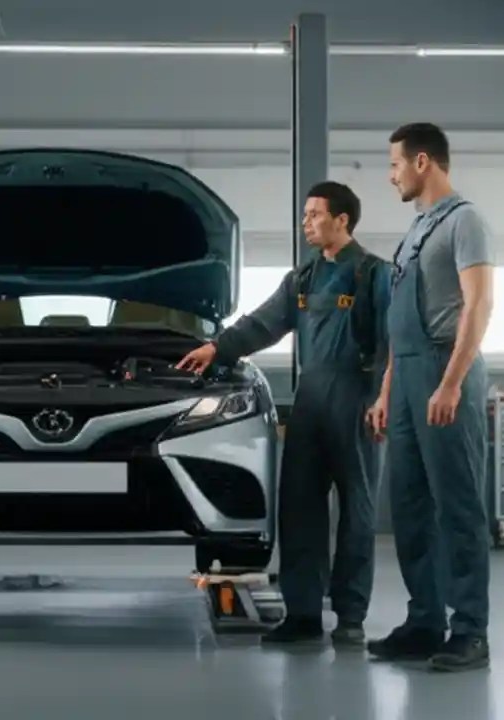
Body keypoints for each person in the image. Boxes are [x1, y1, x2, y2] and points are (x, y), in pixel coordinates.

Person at [177, 181, 391, 646]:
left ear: (343, 221)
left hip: (356, 401)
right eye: (305, 214)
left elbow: (394, 344)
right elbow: (263, 323)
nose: (306, 222)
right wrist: (216, 347)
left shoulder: (376, 275)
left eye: (315, 214)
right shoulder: (303, 278)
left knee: (357, 510)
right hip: (310, 403)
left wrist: (384, 398)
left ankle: (350, 617)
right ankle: (303, 615)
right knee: (298, 509)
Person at [364, 122, 494, 671]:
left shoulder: (465, 221)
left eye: (394, 164)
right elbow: (399, 325)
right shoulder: (415, 229)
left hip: (446, 371)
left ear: (422, 163)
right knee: (411, 508)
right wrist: (388, 390)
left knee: (458, 507)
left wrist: (451, 381)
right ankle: (424, 622)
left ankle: (470, 631)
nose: (390, 175)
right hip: (411, 375)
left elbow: (479, 305)